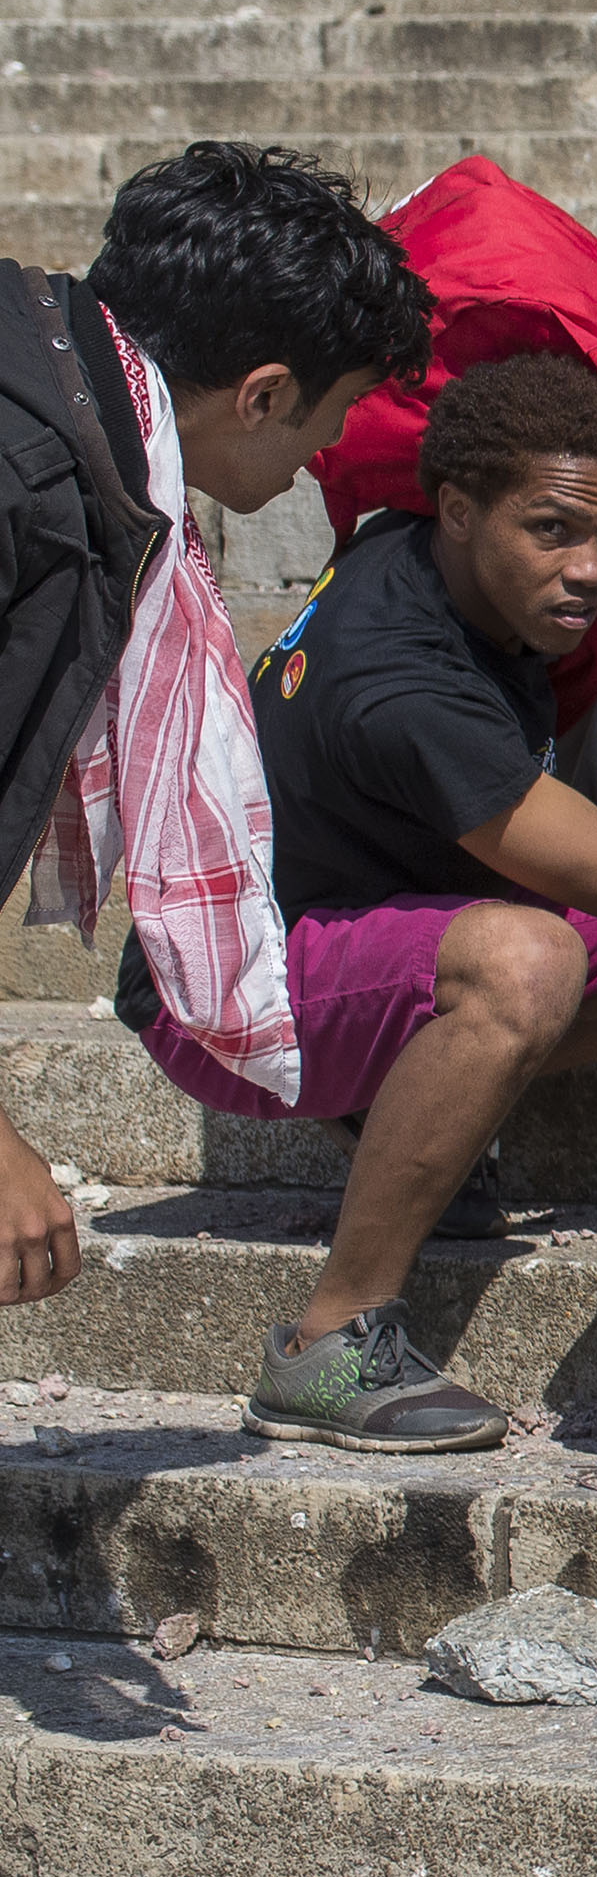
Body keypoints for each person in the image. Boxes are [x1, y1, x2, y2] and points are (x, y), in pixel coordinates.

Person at [132, 350, 597, 1453]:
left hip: (360, 931)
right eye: (552, 530)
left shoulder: (419, 554)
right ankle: (325, 1344)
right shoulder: (401, 682)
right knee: (529, 962)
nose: (594, 569)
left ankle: (404, 1115)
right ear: (458, 510)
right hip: (224, 999)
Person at [0, 142, 429, 1311]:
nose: (324, 457)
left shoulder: (52, 402)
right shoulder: (31, 484)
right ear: (263, 393)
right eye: (330, 418)